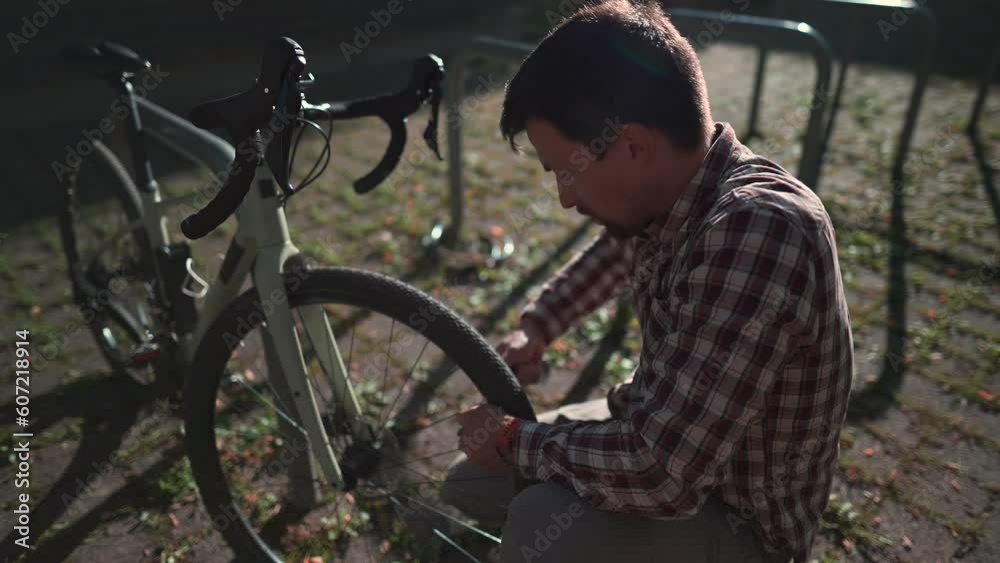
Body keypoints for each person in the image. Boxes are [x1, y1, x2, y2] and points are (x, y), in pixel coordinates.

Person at [443, 1, 854, 562]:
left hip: (737, 518)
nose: (565, 197)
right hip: (664, 440)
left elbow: (661, 474)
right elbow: (610, 257)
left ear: (633, 146)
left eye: (566, 170)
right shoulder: (671, 189)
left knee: (539, 520)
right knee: (470, 481)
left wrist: (515, 440)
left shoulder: (759, 229)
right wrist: (537, 327)